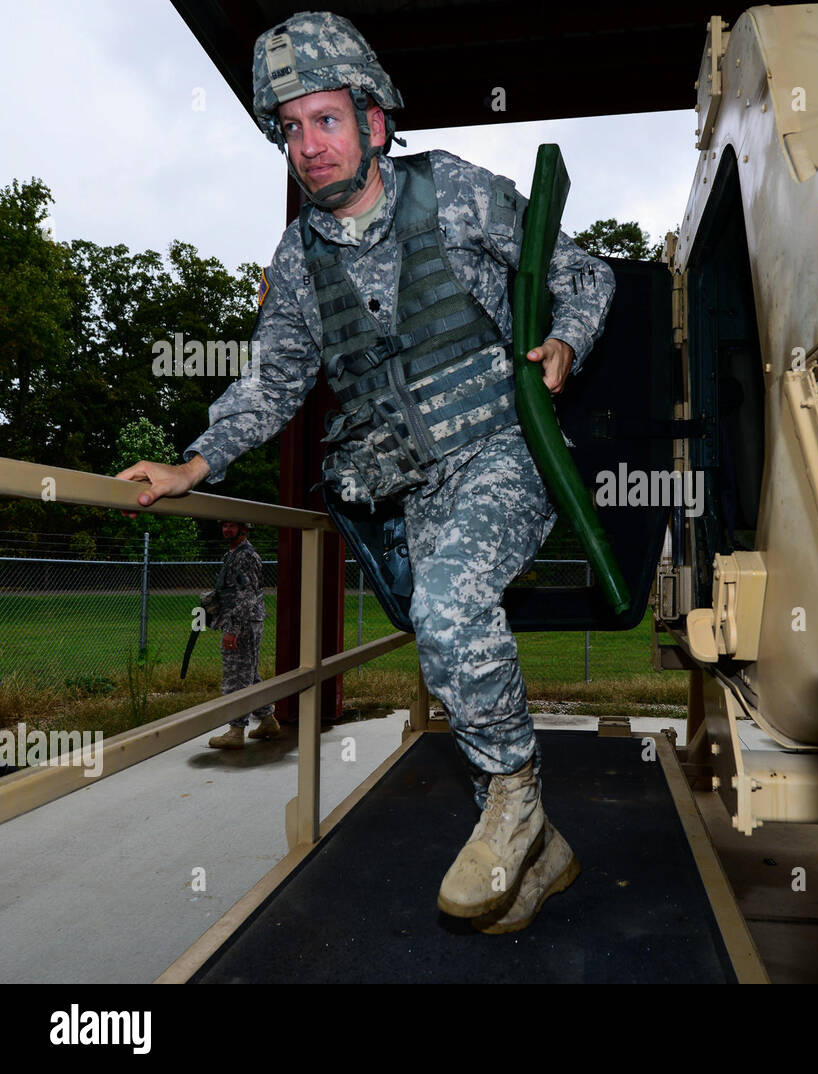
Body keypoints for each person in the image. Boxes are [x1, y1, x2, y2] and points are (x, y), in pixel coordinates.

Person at [114, 11, 614, 933]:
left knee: (450, 605)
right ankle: (539, 852)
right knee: (443, 640)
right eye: (291, 129)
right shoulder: (298, 264)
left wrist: (563, 343)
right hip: (405, 489)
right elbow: (271, 384)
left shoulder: (458, 194)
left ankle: (515, 804)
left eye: (327, 121)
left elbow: (586, 275)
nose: (309, 146)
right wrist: (193, 462)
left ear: (374, 123)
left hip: (502, 451)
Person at [205, 520, 279, 749]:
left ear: (243, 529)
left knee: (236, 676)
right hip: (244, 620)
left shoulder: (245, 557)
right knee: (249, 673)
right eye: (224, 526)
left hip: (243, 623)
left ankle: (235, 731)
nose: (227, 530)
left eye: (232, 526)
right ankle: (268, 720)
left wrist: (233, 629)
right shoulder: (233, 554)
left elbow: (246, 596)